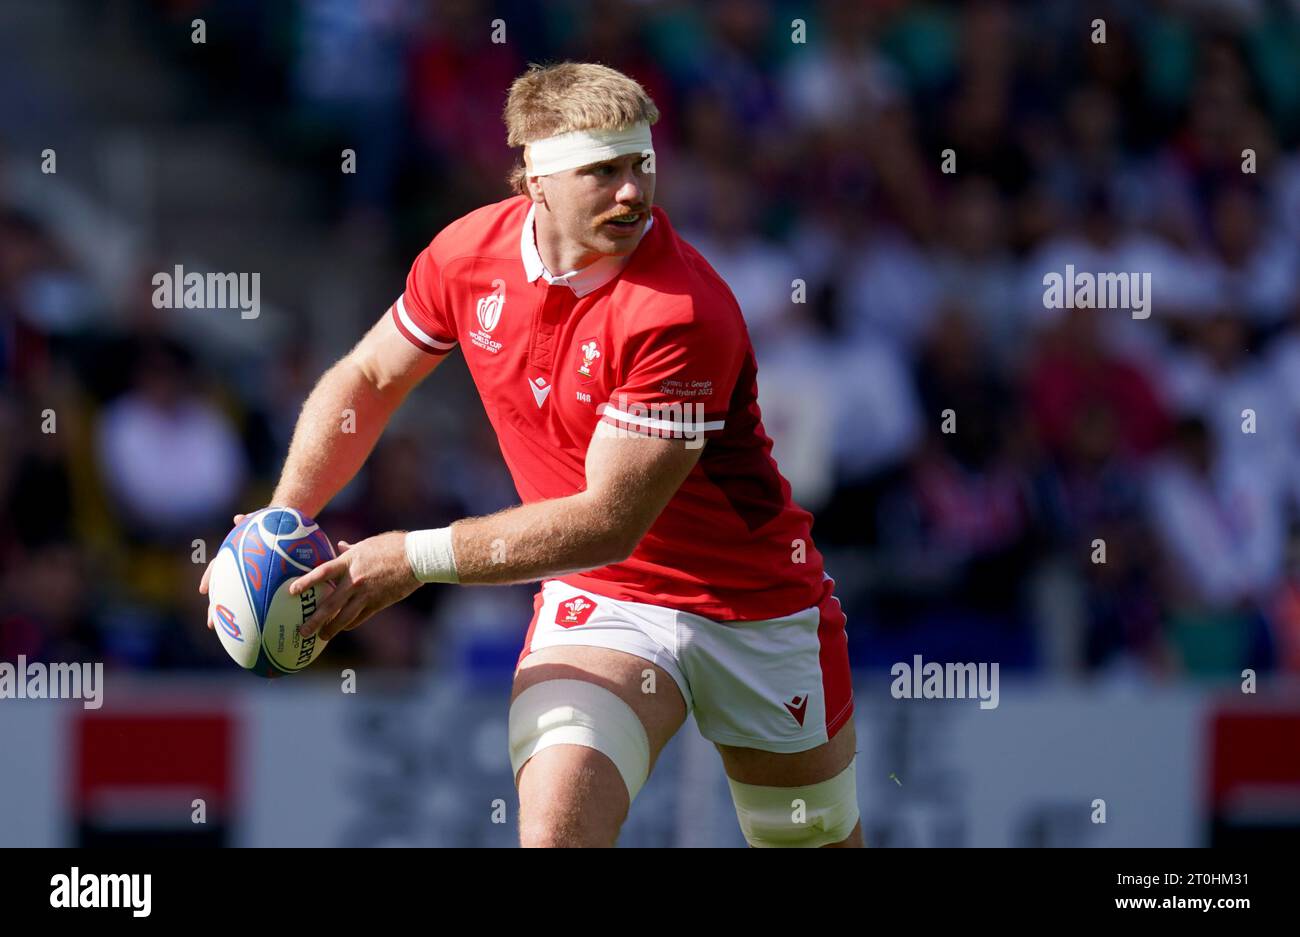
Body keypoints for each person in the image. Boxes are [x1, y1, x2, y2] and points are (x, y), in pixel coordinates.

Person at [201, 62, 859, 848]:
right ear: (536, 180)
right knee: (556, 831)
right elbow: (370, 376)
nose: (632, 192)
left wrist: (412, 557)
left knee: (807, 842)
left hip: (753, 605)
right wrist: (283, 514)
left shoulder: (682, 312)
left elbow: (609, 520)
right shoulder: (464, 256)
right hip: (606, 602)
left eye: (642, 164)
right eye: (603, 172)